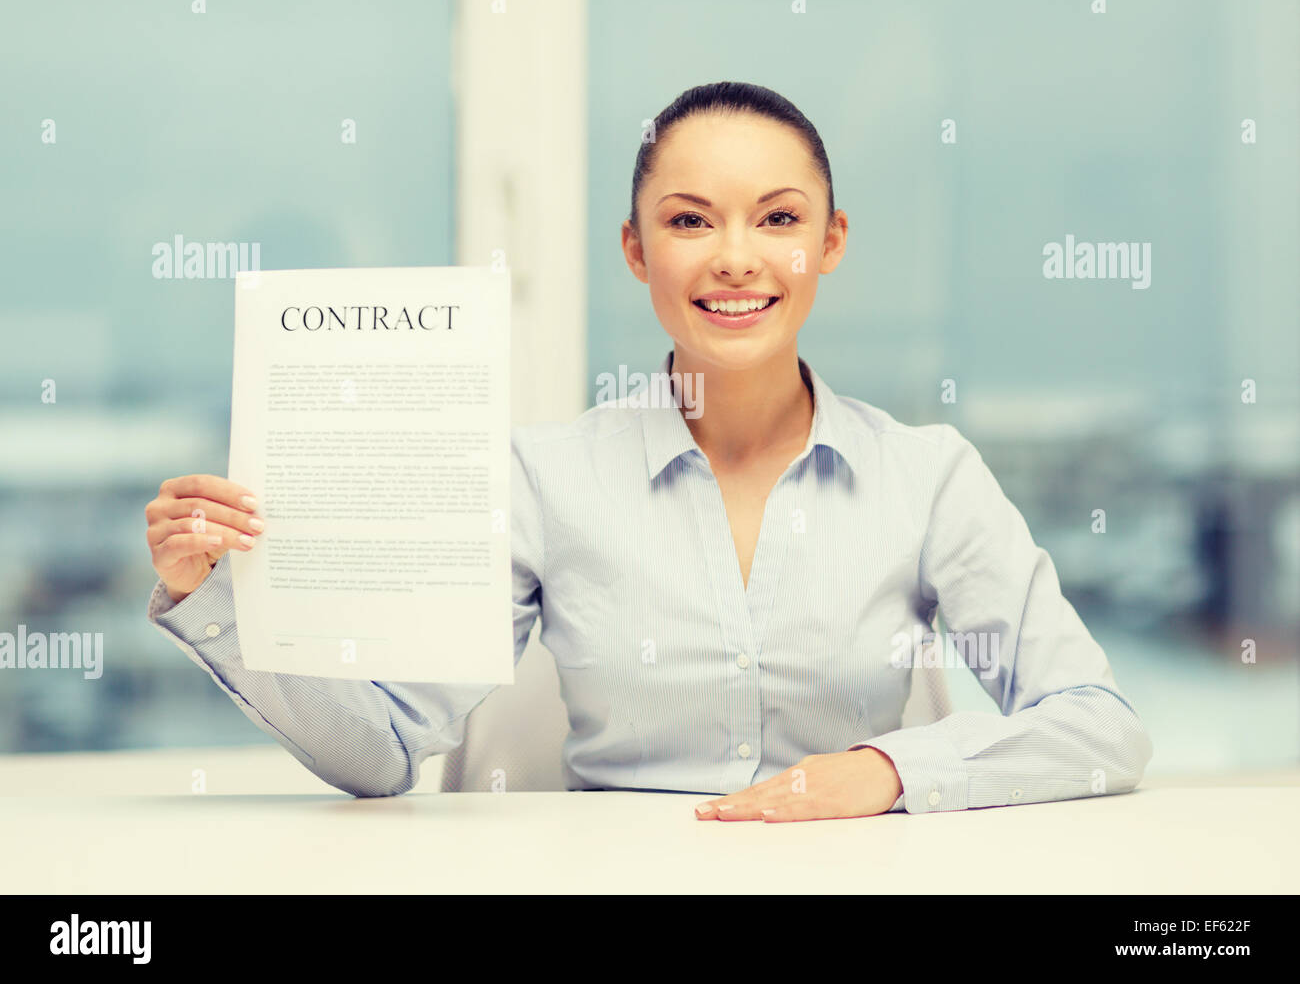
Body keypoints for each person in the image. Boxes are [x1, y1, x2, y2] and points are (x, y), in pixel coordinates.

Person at [144, 81, 1152, 821]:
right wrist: (217, 598)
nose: (735, 256)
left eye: (778, 219)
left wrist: (885, 772)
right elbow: (385, 747)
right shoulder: (544, 476)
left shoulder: (927, 475)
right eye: (688, 220)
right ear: (635, 249)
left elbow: (1096, 721)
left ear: (829, 242)